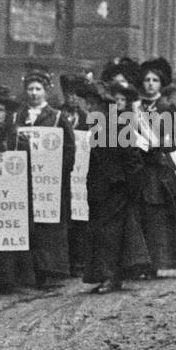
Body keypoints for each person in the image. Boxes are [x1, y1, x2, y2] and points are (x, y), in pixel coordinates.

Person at [82, 81, 150, 293]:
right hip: (99, 189)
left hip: (116, 188)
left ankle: (110, 278)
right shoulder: (94, 127)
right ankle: (108, 276)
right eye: (89, 104)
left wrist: (132, 190)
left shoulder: (119, 126)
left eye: (94, 104)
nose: (90, 108)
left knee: (110, 234)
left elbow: (133, 161)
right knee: (102, 233)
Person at [14, 69, 76, 287]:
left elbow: (69, 149)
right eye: (30, 89)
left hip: (49, 184)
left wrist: (58, 173)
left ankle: (50, 271)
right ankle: (27, 272)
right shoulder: (17, 116)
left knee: (48, 227)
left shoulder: (57, 117)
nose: (33, 94)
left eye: (38, 89)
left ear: (46, 92)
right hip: (22, 181)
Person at [134, 56, 176, 276]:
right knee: (138, 214)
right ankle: (139, 262)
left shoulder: (167, 107)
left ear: (161, 84)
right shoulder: (133, 107)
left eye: (155, 80)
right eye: (146, 80)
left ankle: (156, 262)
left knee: (157, 217)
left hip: (158, 169)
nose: (150, 84)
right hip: (137, 166)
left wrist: (157, 144)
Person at [0, 85, 38, 292]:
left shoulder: (16, 137)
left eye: (1, 111)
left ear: (7, 113)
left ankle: (8, 280)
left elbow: (25, 169)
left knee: (7, 237)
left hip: (9, 194)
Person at [59, 70, 96, 279]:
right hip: (63, 175)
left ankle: (79, 262)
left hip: (82, 176)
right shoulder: (58, 115)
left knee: (81, 220)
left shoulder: (88, 119)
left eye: (76, 95)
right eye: (68, 94)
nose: (72, 98)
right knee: (65, 218)